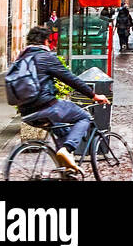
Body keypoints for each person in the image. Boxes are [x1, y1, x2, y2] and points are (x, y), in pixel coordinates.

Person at [8, 26, 110, 174]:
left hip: (26, 113)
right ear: (45, 41)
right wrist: (94, 96)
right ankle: (67, 150)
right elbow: (70, 79)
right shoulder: (46, 57)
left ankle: (66, 170)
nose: (51, 45)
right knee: (84, 117)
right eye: (50, 42)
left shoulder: (21, 58)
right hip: (46, 107)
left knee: (64, 131)